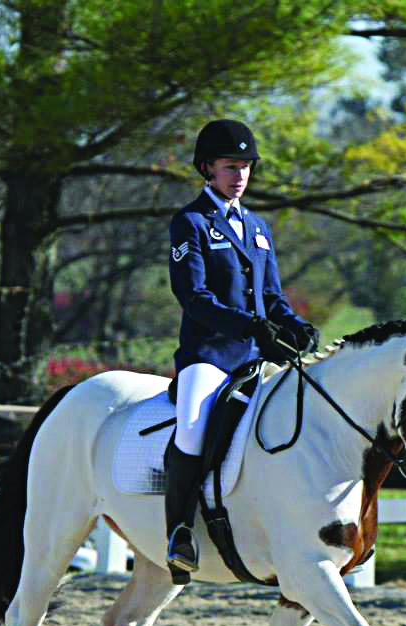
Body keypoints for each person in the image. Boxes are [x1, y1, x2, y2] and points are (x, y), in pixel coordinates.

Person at [166, 118, 319, 583]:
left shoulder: (256, 226)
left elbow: (271, 296)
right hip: (209, 357)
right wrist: (251, 325)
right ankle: (178, 534)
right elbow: (194, 298)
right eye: (231, 166)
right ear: (207, 168)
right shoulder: (190, 222)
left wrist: (295, 326)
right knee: (192, 430)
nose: (240, 175)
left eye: (246, 167)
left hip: (257, 358)